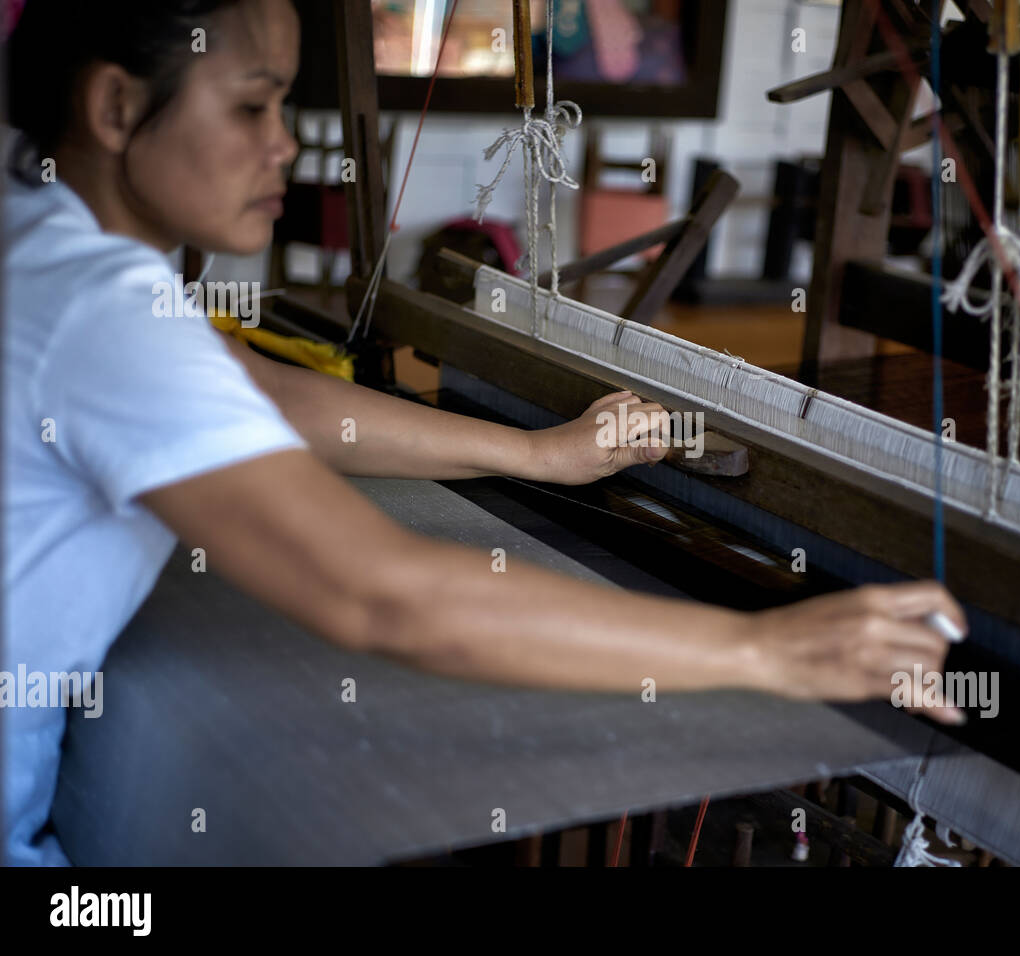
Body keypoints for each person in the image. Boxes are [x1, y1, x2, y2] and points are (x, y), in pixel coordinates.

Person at [2, 0, 966, 866]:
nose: (286, 145)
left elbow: (266, 396)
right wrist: (772, 653)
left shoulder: (31, 235)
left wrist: (540, 454)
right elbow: (384, 597)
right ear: (118, 108)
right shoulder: (99, 309)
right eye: (253, 106)